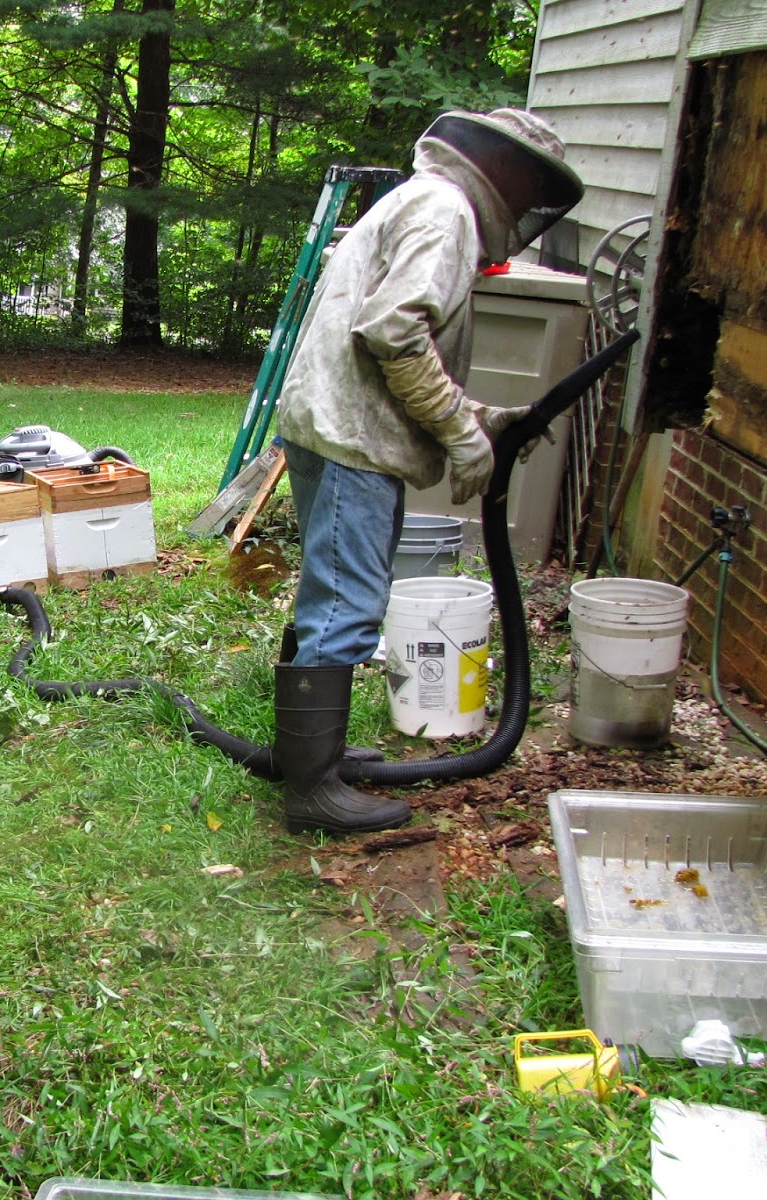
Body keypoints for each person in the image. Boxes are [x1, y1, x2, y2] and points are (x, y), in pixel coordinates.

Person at [272, 108, 583, 836]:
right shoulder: (447, 213)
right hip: (353, 436)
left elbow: (389, 342)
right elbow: (393, 334)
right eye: (532, 182)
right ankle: (311, 787)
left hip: (333, 421)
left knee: (333, 591)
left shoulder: (423, 201)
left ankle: (309, 754)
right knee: (347, 602)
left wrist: (477, 415)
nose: (530, 200)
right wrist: (458, 434)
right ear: (502, 168)